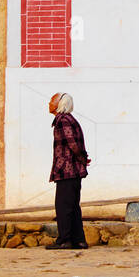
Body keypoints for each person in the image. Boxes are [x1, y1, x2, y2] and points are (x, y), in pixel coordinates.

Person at [47, 92, 89, 250]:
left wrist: (81, 157)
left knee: (63, 206)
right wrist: (83, 158)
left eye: (52, 101)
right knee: (73, 206)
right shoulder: (70, 120)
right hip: (73, 170)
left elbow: (72, 143)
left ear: (59, 104)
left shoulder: (63, 121)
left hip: (67, 170)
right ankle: (79, 240)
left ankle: (64, 240)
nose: (49, 103)